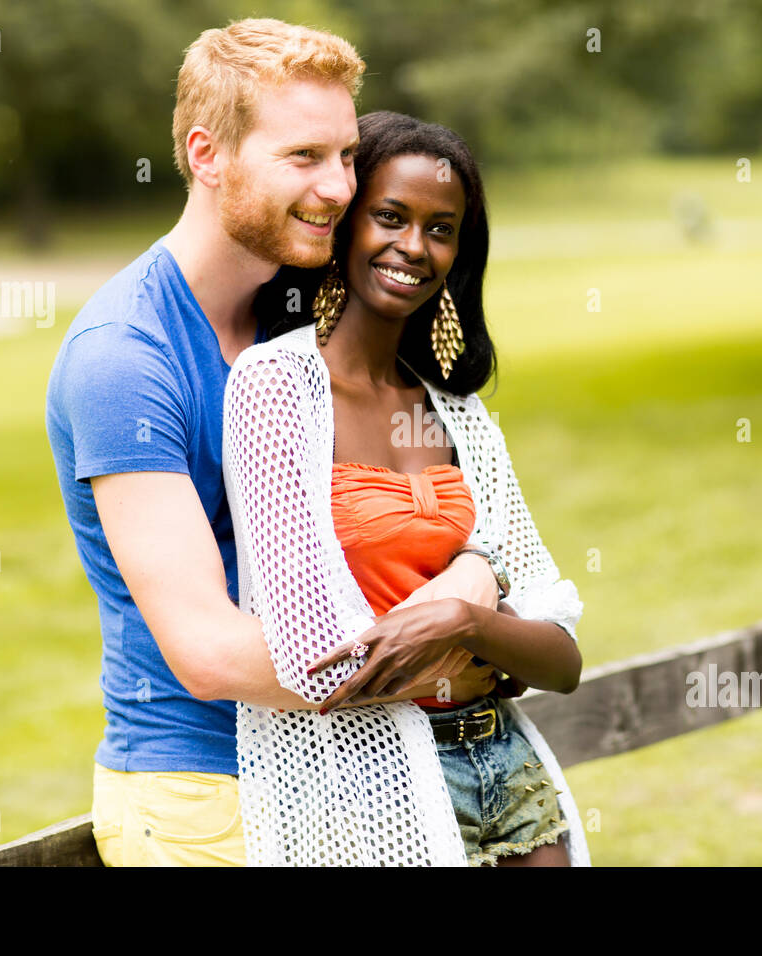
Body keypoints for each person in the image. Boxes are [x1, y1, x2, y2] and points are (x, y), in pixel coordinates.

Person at [44, 20, 500, 867]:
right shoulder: (123, 358)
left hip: (353, 765)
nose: (338, 189)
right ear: (207, 156)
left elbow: (455, 502)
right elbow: (211, 652)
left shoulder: (310, 314)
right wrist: (441, 664)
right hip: (207, 794)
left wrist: (472, 593)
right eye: (303, 158)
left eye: (345, 156)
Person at [223, 111, 591, 866]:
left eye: (441, 228)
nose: (414, 247)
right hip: (369, 785)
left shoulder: (459, 413)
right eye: (390, 217)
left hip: (506, 767)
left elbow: (560, 654)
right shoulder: (275, 387)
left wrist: (466, 617)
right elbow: (318, 657)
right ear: (346, 223)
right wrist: (487, 601)